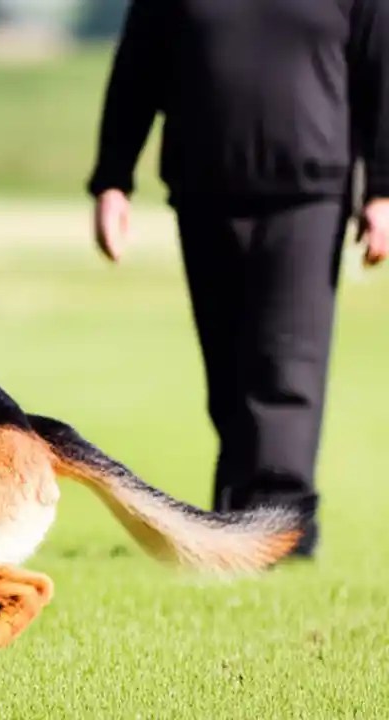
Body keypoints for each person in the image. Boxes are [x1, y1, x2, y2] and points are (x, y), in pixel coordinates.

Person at [86, 0, 389, 559]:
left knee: (287, 367)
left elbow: (381, 72)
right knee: (228, 374)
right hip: (204, 191)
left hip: (309, 191)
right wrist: (112, 179)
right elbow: (136, 69)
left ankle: (284, 531)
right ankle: (235, 522)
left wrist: (382, 191)